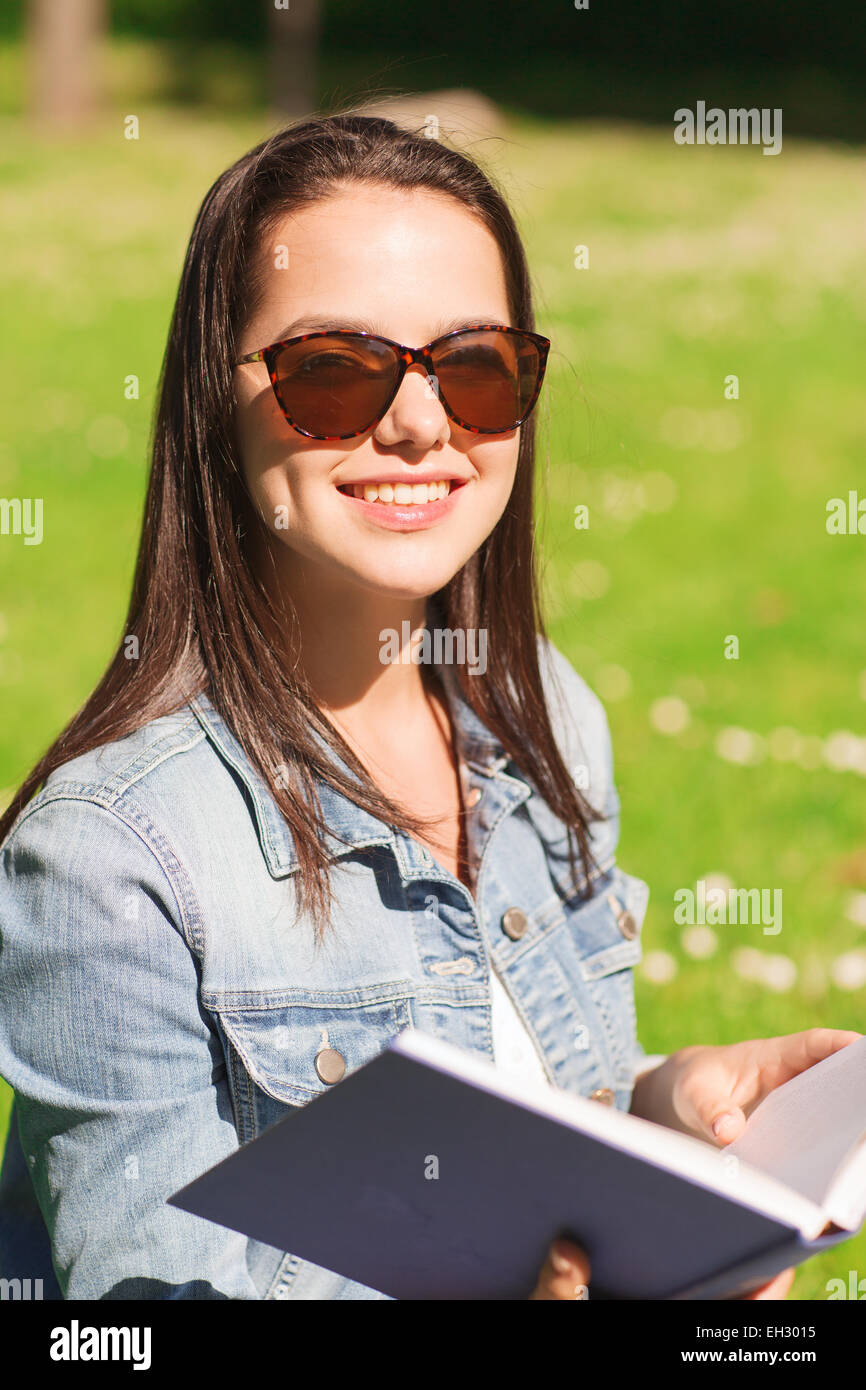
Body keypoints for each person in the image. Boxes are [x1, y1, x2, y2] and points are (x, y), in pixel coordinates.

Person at [0, 115, 857, 1301]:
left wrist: (674, 1108)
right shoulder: (108, 857)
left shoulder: (540, 716)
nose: (418, 424)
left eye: (474, 367)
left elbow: (540, 1106)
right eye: (333, 372)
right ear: (214, 395)